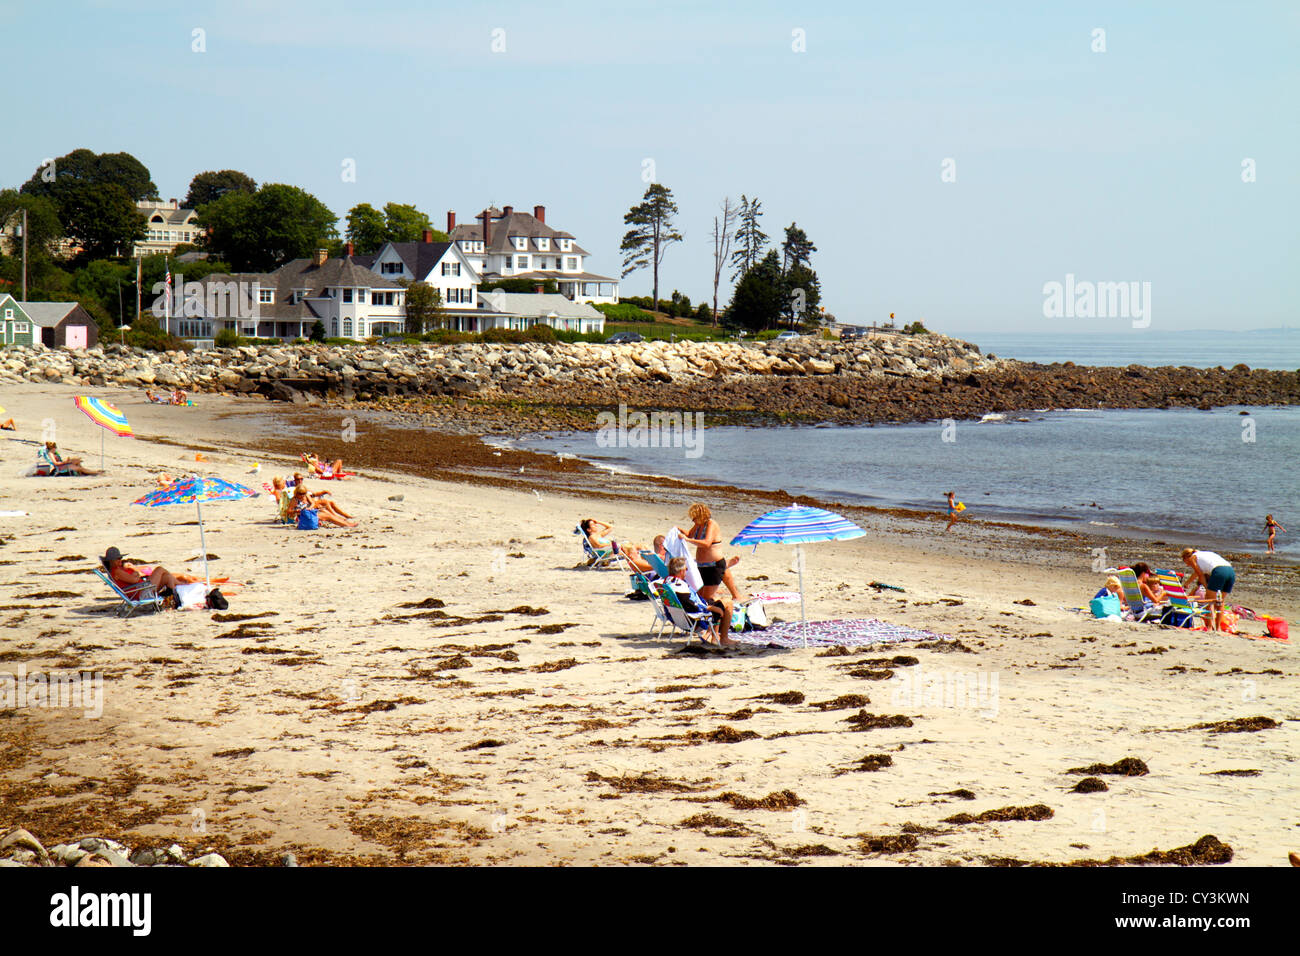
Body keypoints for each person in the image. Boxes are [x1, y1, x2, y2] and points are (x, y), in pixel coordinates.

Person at [678, 503, 742, 605]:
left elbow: (707, 543)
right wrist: (679, 530)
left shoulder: (711, 524)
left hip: (713, 565)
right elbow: (690, 534)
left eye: (694, 518)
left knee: (706, 598)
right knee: (699, 596)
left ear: (700, 516)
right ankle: (727, 565)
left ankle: (727, 604)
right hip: (702, 566)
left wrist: (687, 540)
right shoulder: (698, 525)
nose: (693, 521)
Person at [666, 557, 735, 646]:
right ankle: (722, 638)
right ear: (681, 571)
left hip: (678, 618)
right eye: (686, 569)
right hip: (694, 619)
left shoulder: (668, 583)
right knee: (728, 603)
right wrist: (711, 608)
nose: (686, 572)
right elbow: (691, 606)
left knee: (717, 600)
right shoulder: (679, 586)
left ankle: (714, 635)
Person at [102, 546, 182, 601]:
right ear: (110, 561)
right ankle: (181, 586)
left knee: (166, 577)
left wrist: (135, 574)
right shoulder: (117, 571)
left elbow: (135, 576)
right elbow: (134, 580)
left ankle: (174, 596)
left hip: (142, 589)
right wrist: (136, 573)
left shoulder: (119, 569)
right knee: (159, 569)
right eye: (117, 559)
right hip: (141, 592)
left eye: (120, 558)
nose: (120, 560)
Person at [1182, 547, 1234, 631]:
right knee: (1220, 601)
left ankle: (1209, 627)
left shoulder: (1192, 558)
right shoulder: (1204, 554)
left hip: (1219, 571)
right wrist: (1188, 583)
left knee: (1209, 600)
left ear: (1186, 557)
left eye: (1186, 562)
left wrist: (1206, 588)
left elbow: (1200, 576)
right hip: (1230, 571)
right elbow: (1197, 572)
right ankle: (1218, 628)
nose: (1188, 565)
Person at [287, 484, 356, 528]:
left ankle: (346, 523)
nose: (302, 495)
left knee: (327, 513)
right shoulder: (294, 500)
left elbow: (312, 503)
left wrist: (310, 508)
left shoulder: (306, 496)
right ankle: (347, 524)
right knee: (328, 516)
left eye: (303, 493)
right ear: (296, 493)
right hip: (303, 516)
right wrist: (296, 511)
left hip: (310, 513)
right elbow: (288, 511)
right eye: (300, 494)